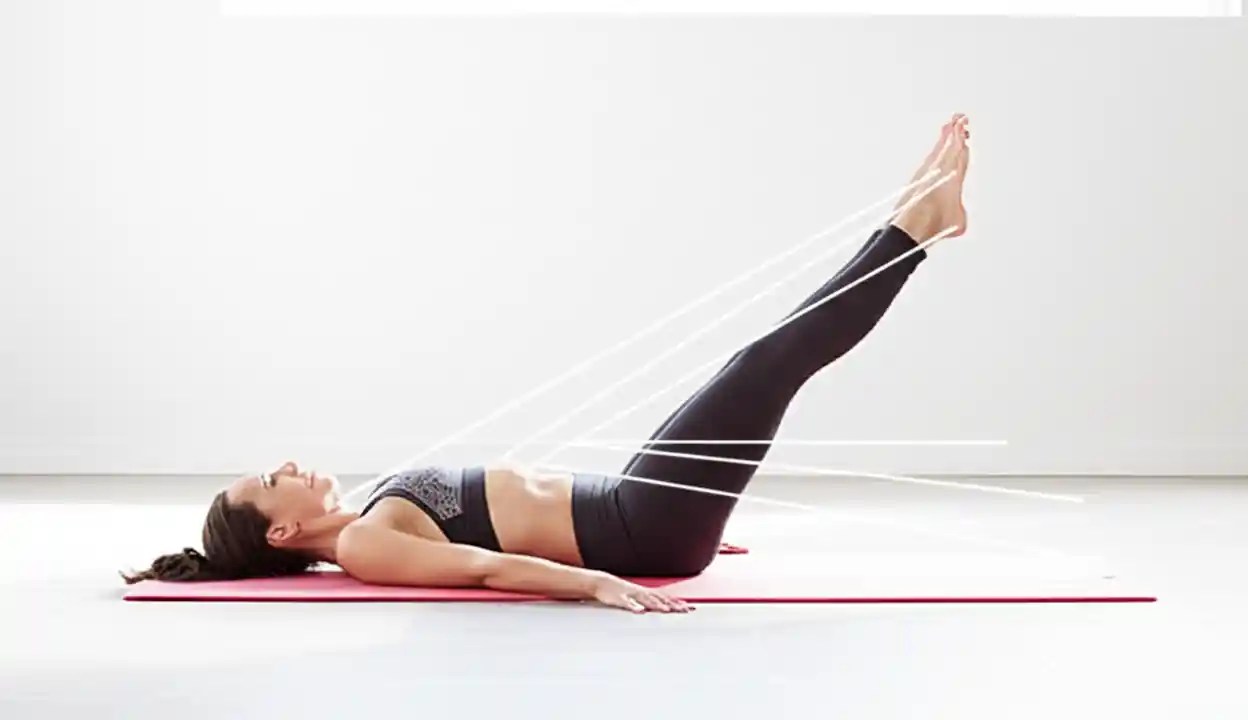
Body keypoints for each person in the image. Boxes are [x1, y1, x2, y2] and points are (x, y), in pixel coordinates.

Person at [121, 114, 972, 614]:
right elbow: (488, 567)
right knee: (770, 362)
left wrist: (691, 515)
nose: (287, 465)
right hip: (645, 526)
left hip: (644, 506)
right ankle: (915, 228)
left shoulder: (375, 517)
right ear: (281, 530)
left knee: (757, 365)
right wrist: (603, 585)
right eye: (272, 480)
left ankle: (911, 227)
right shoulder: (371, 548)